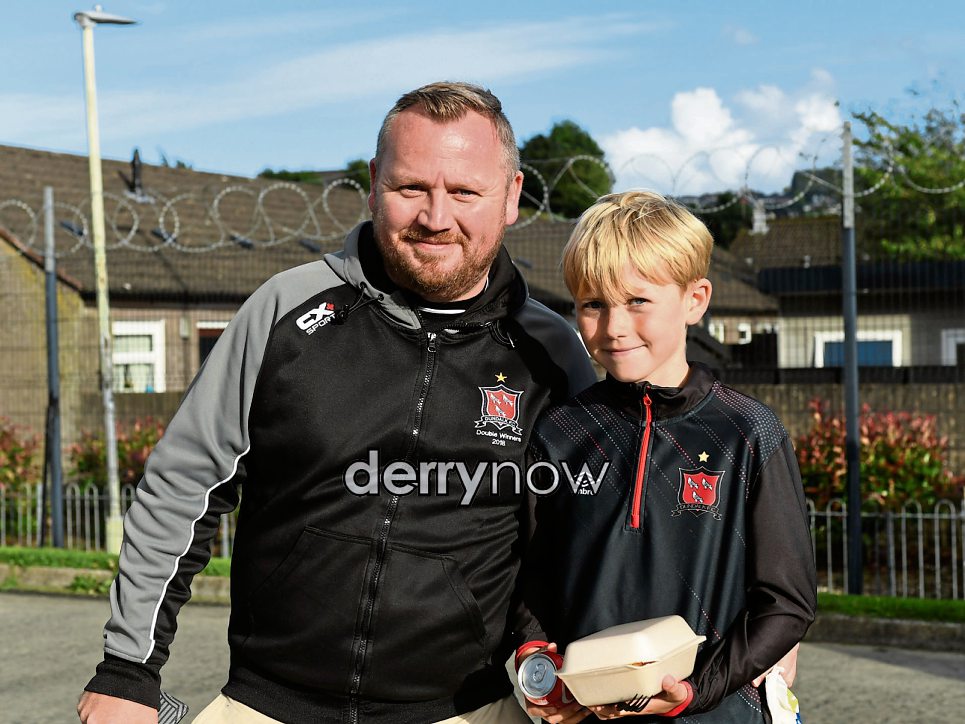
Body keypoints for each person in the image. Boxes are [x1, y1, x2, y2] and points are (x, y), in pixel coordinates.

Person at [77, 82, 596, 724]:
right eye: (411, 188)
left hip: (471, 709)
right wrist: (127, 671)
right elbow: (183, 486)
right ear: (375, 182)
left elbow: (593, 531)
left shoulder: (553, 352)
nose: (436, 217)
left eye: (464, 192)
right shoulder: (283, 311)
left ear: (512, 196)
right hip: (267, 704)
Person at [518, 190, 817, 722]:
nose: (614, 326)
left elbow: (787, 601)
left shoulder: (748, 433)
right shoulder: (559, 432)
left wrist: (696, 691)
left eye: (637, 301)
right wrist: (540, 665)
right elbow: (529, 577)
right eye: (593, 304)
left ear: (695, 301)